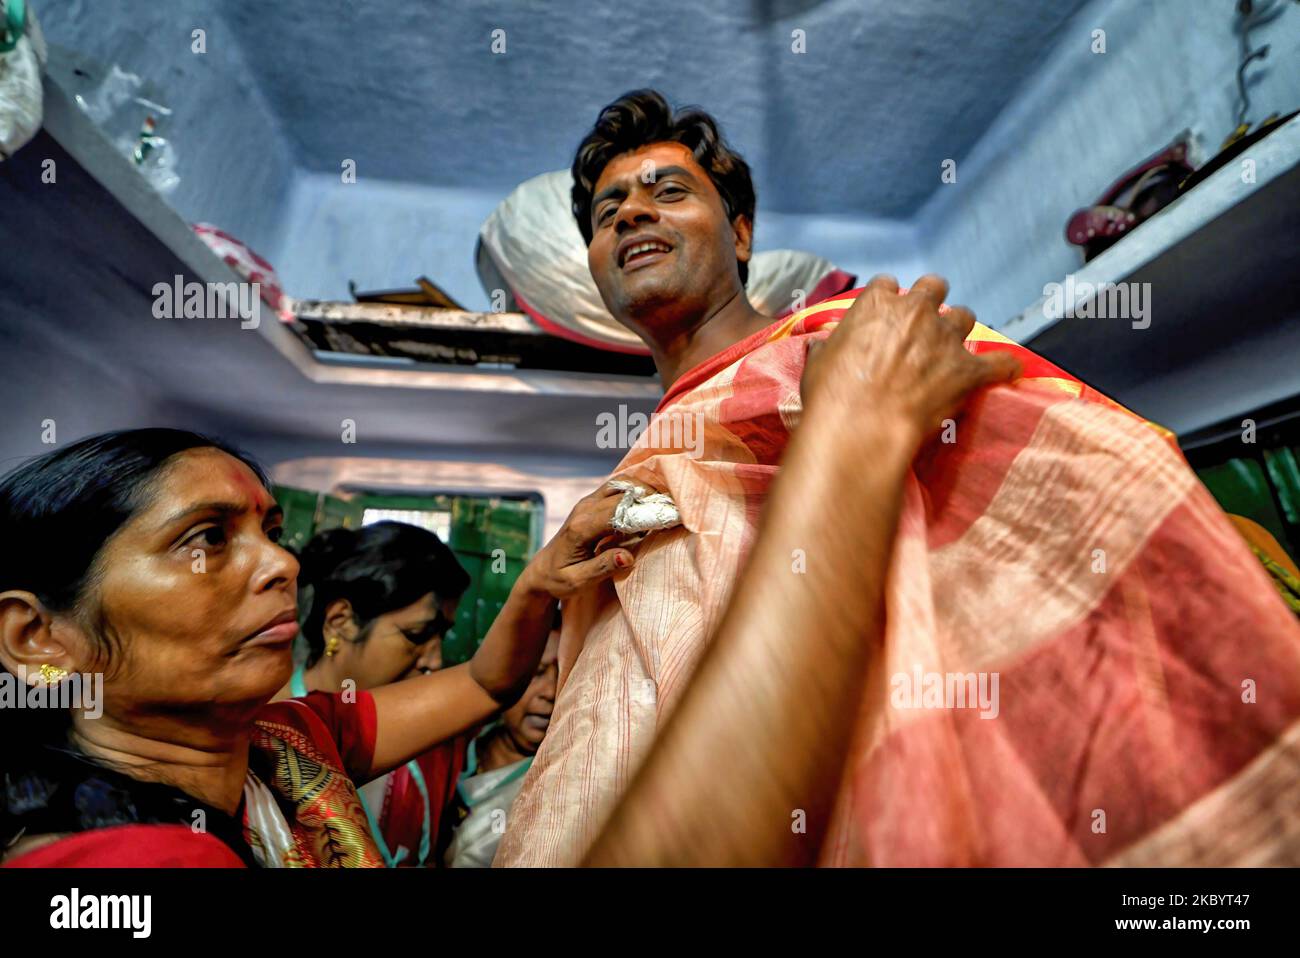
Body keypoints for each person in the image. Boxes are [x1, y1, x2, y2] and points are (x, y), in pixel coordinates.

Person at [496, 91, 1300, 867]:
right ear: (598, 266)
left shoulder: (848, 342)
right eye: (608, 212)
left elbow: (1086, 482)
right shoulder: (636, 471)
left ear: (740, 235)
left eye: (669, 192)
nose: (632, 212)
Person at [0, 428, 635, 867]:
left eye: (273, 531)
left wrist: (536, 582)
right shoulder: (114, 862)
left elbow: (482, 685)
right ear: (39, 639)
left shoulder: (288, 744)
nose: (281, 562)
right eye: (207, 540)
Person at [271, 521, 471, 867]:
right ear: (341, 621)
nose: (434, 662)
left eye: (442, 637)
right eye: (416, 634)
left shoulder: (435, 735)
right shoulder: (270, 734)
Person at [444, 611, 559, 867]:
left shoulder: (558, 785)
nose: (550, 692)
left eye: (564, 676)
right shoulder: (450, 745)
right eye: (536, 673)